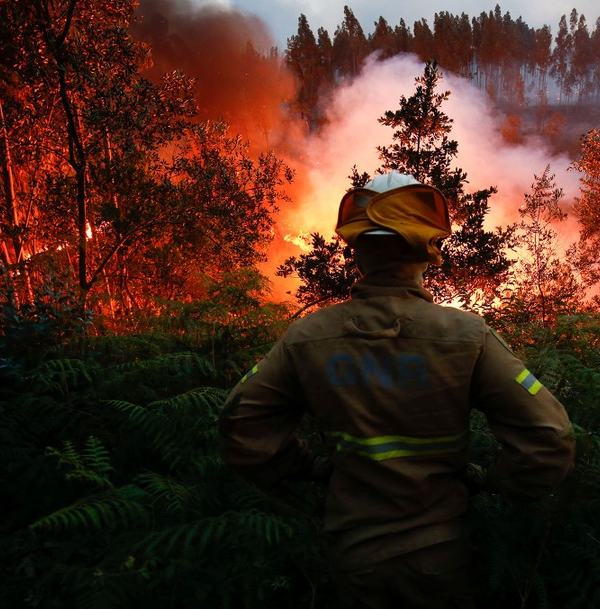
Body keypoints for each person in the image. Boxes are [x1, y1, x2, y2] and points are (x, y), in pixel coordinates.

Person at [218, 171, 575, 609]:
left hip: (353, 558)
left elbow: (241, 424)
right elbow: (549, 438)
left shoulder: (308, 336)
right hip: (442, 556)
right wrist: (492, 482)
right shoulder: (466, 335)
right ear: (428, 248)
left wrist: (312, 470)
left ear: (357, 250)